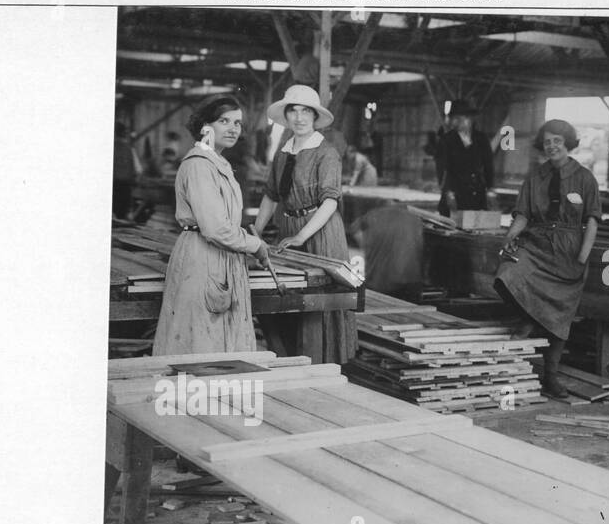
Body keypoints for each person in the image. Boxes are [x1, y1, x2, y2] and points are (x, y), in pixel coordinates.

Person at [152, 95, 270, 355]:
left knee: (218, 341)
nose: (233, 129)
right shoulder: (199, 165)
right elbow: (215, 229)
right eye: (223, 121)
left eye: (237, 123)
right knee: (199, 342)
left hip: (219, 256)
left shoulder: (218, 162)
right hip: (203, 257)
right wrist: (255, 244)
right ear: (205, 127)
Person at [493, 118, 602, 400]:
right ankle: (524, 328)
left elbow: (591, 220)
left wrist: (583, 254)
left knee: (561, 315)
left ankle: (550, 376)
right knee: (509, 273)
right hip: (537, 242)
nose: (552, 146)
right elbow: (522, 215)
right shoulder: (535, 177)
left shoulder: (585, 177)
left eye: (557, 141)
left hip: (569, 251)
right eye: (548, 141)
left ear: (567, 143)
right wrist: (507, 241)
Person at [253, 84, 355, 363]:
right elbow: (271, 196)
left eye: (306, 112)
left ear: (315, 116)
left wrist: (301, 236)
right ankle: (294, 359)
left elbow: (330, 202)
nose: (299, 118)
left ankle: (325, 363)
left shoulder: (326, 153)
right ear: (286, 116)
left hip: (320, 232)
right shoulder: (283, 152)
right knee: (290, 295)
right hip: (289, 228)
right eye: (293, 111)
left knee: (320, 298)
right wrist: (255, 233)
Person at [349, 204, 425, 299]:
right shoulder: (415, 219)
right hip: (410, 284)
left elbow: (354, 228)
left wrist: (366, 244)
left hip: (380, 284)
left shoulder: (372, 216)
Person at [435, 101, 494, 216]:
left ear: (470, 119)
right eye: (454, 119)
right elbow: (441, 169)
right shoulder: (446, 140)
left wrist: (490, 188)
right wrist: (447, 192)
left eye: (459, 118)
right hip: (454, 193)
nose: (455, 122)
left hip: (477, 194)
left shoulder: (481, 139)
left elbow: (489, 166)